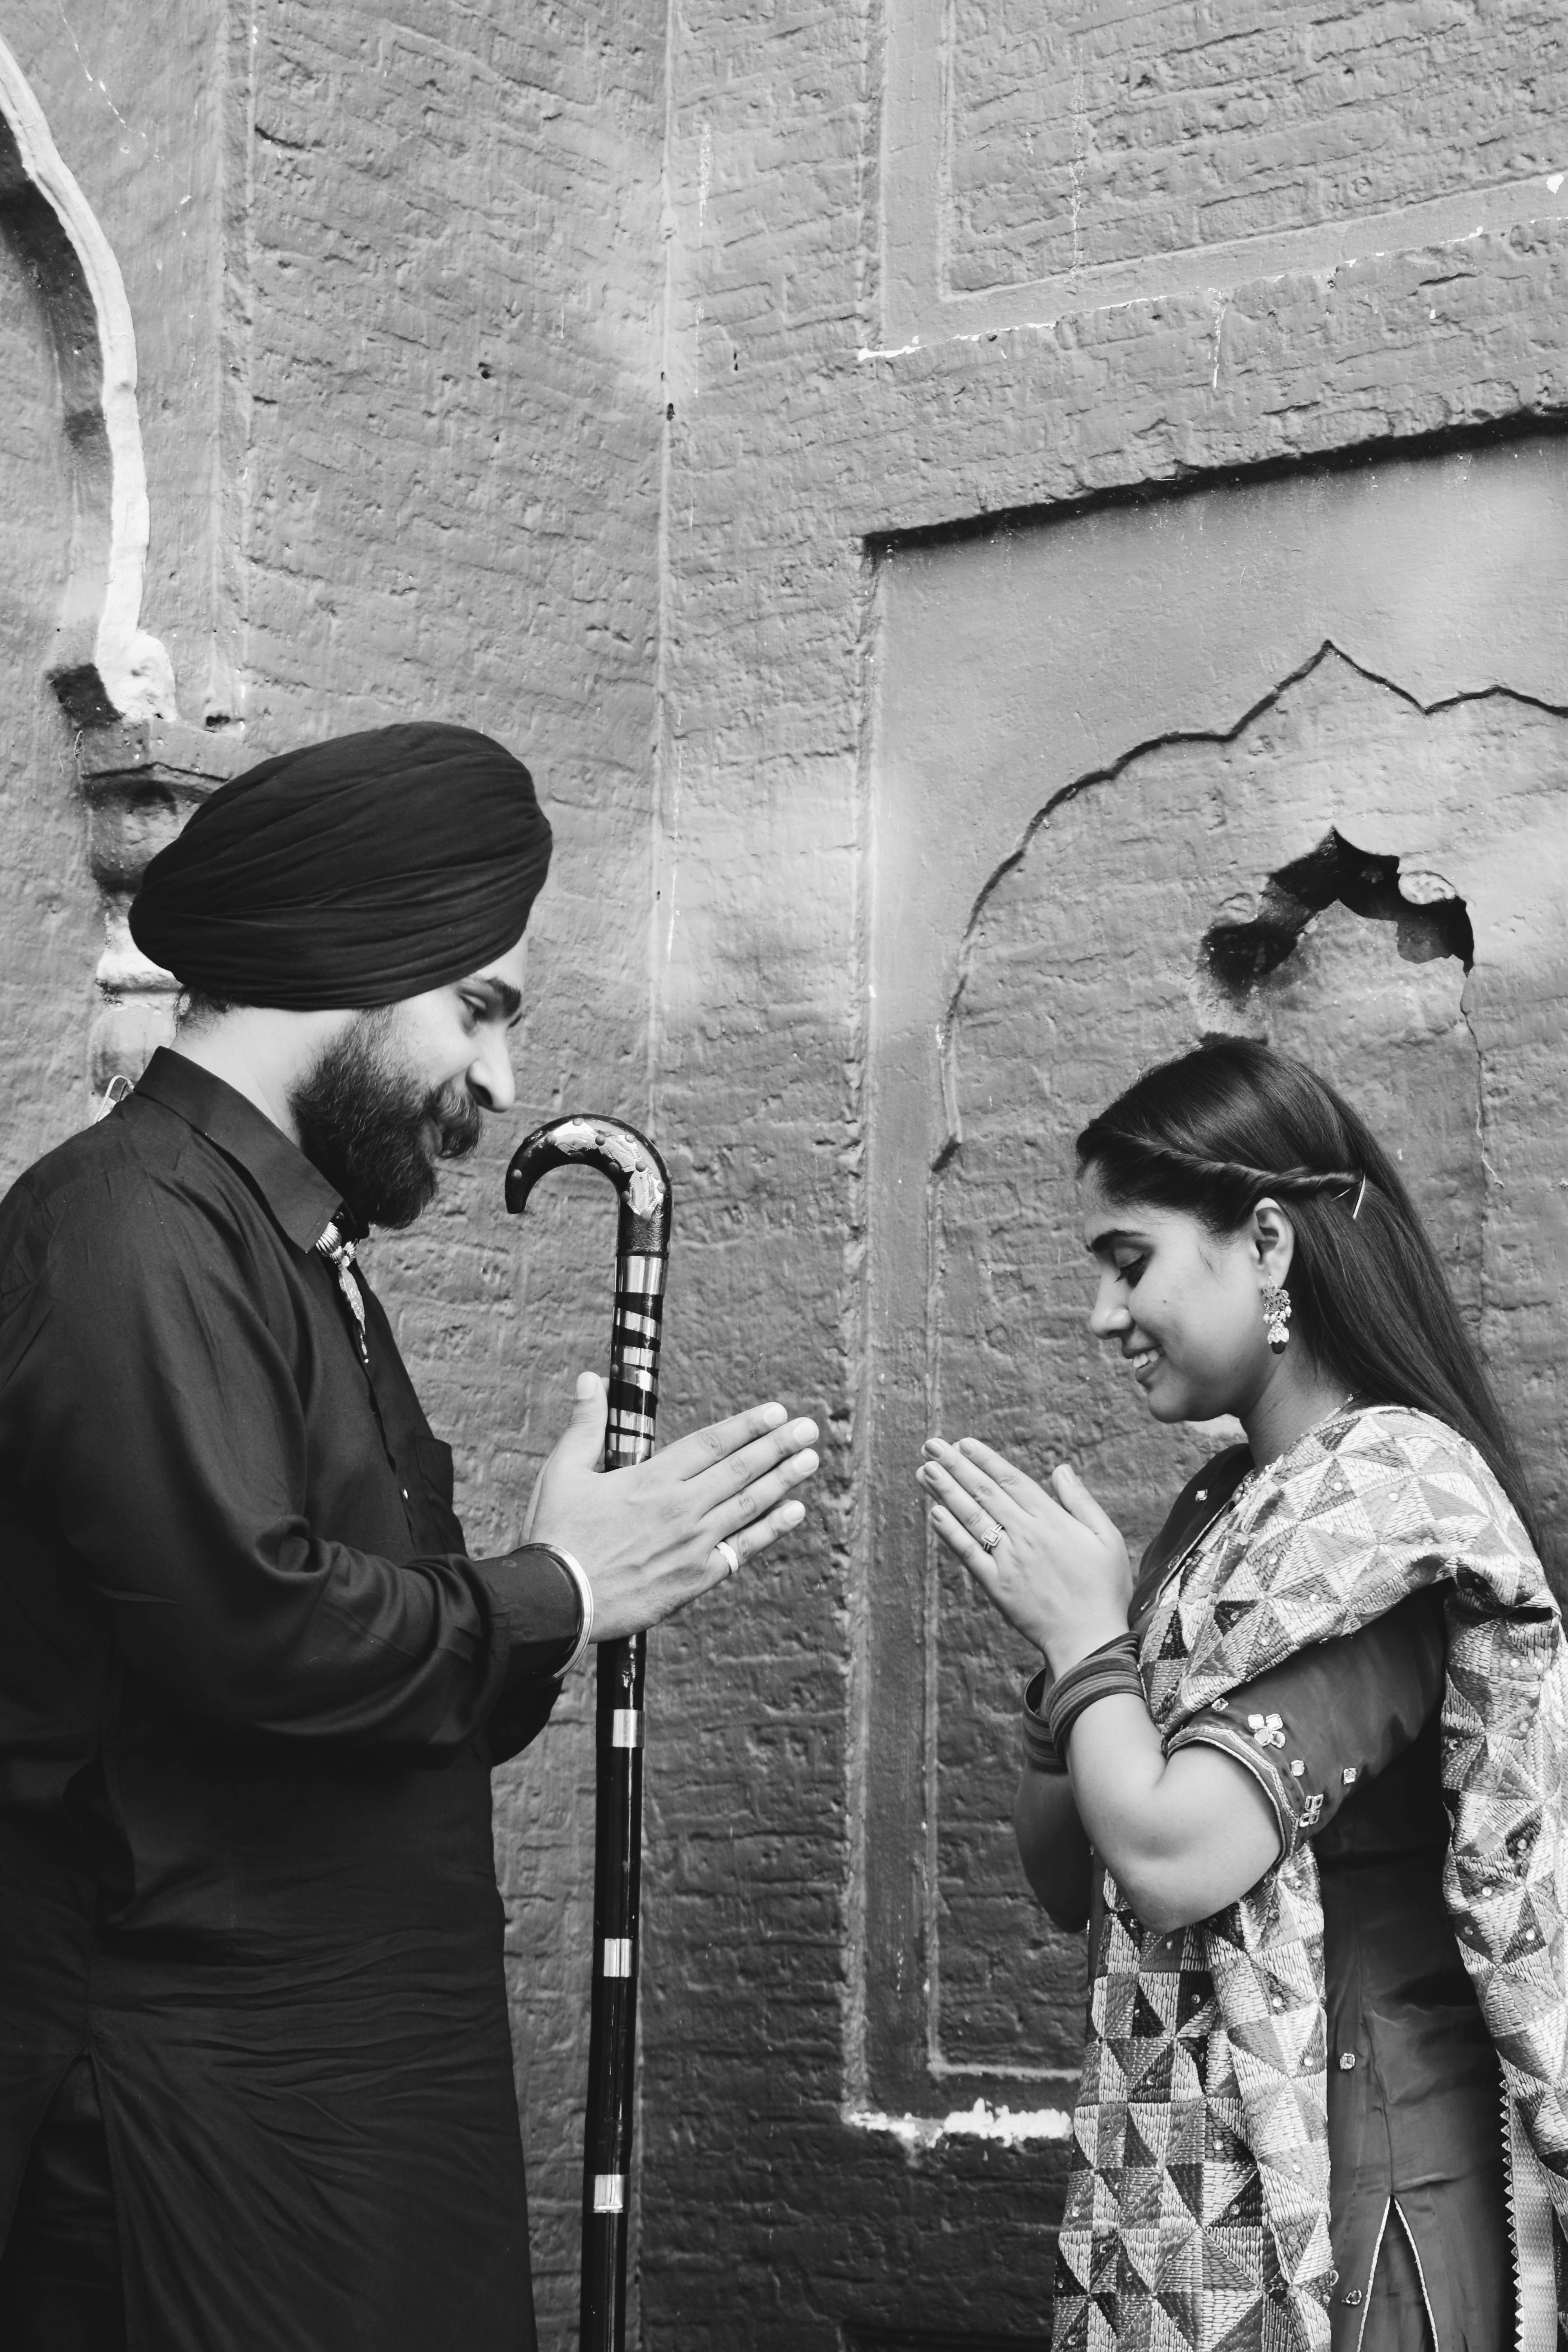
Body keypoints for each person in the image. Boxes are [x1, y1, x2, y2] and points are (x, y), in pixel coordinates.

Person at [0, 722, 821, 2352]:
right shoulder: (126, 1231)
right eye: (482, 1007)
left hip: (334, 2115)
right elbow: (257, 1631)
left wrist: (535, 1586)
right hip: (194, 2135)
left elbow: (379, 1684)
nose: (501, 1082)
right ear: (352, 961)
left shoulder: (289, 1246)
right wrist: (559, 1587)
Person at [917, 1038, 1568, 2352]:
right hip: (1191, 2205)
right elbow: (1069, 1872)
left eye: (1128, 1260)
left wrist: (1091, 1642)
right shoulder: (1222, 1516)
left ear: (1266, 1245)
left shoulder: (1392, 1515)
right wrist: (1071, 1669)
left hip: (1358, 2209)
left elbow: (1171, 1856)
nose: (1102, 1316)